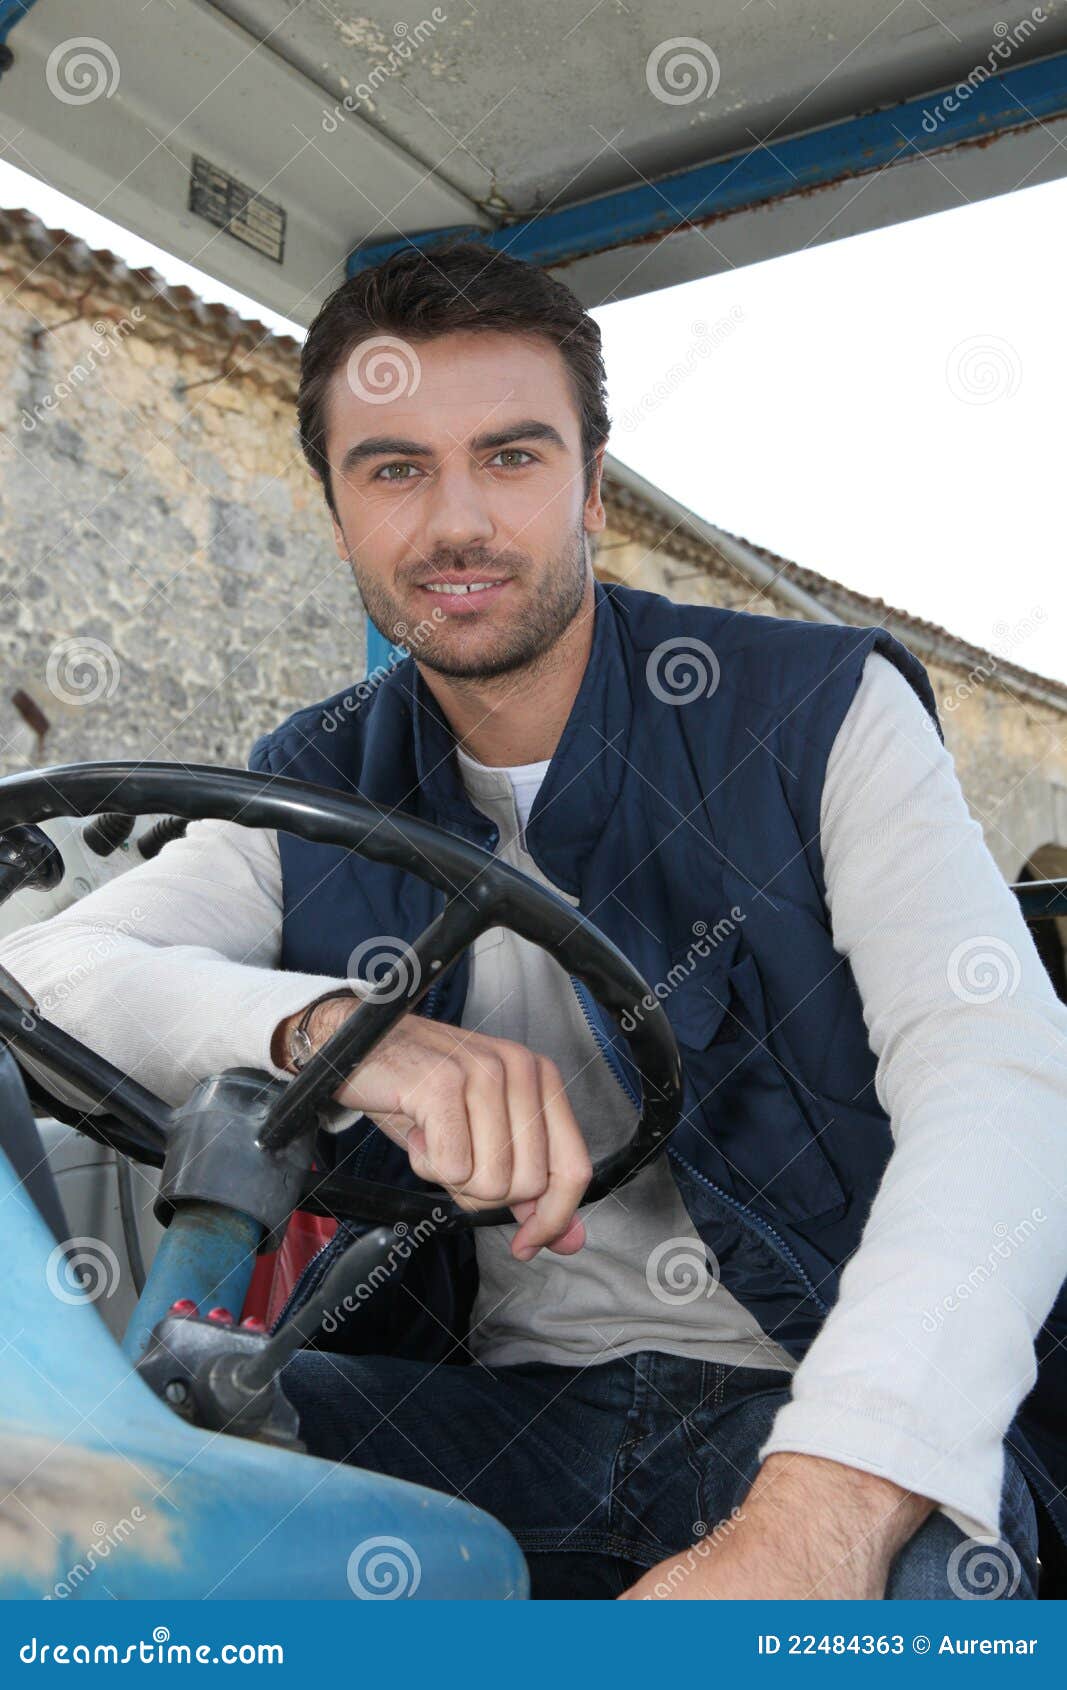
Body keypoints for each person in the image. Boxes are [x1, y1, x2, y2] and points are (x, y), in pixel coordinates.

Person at [2, 240, 1064, 1603]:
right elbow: (45, 968)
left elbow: (1003, 1081)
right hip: (489, 1414)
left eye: (510, 457)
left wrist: (828, 1502)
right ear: (337, 511)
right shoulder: (314, 776)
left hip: (804, 1403)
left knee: (924, 1580)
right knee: (117, 1508)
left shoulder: (818, 715)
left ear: (592, 490)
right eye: (394, 468)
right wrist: (347, 1037)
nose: (456, 522)